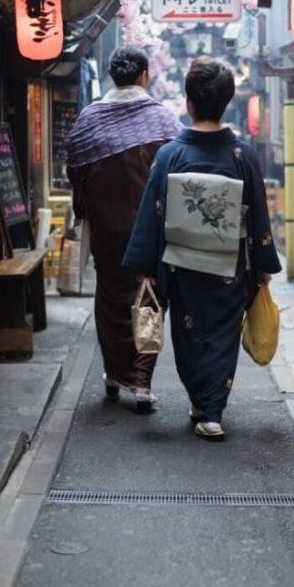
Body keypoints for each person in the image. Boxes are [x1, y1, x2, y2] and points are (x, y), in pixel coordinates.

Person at [122, 58, 281, 441]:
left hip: (181, 267)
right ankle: (209, 407)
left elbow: (153, 215)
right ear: (225, 102)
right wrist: (262, 264)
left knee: (189, 334)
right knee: (222, 335)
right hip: (230, 268)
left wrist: (146, 266)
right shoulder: (242, 156)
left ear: (189, 102)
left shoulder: (170, 155)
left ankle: (207, 406)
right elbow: (258, 214)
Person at [66, 46, 180, 410]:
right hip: (150, 230)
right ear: (145, 75)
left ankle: (115, 373)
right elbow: (178, 175)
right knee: (149, 299)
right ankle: (142, 381)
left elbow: (75, 171)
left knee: (111, 297)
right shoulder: (162, 120)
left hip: (106, 230)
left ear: (113, 75)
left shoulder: (89, 118)